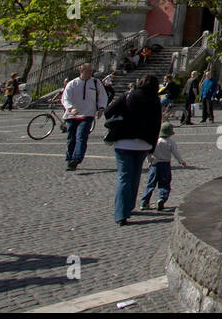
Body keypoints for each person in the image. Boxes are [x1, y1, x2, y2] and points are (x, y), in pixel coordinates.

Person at [105, 75, 163, 225]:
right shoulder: (155, 100)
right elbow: (157, 125)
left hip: (124, 141)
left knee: (124, 177)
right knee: (135, 176)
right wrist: (153, 147)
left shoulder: (129, 95)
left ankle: (121, 214)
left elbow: (108, 112)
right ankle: (129, 206)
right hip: (143, 144)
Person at [61, 63, 107, 172]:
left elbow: (102, 96)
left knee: (81, 137)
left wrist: (101, 108)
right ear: (81, 71)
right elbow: (65, 98)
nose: (91, 73)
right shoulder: (72, 84)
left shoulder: (96, 83)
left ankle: (76, 160)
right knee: (71, 138)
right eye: (88, 71)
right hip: (72, 115)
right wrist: (70, 108)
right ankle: (70, 158)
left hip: (87, 115)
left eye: (91, 71)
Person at [140, 121, 189, 211]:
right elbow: (176, 153)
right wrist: (181, 162)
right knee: (164, 183)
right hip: (165, 165)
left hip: (154, 165)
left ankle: (144, 202)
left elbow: (149, 153)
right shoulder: (171, 142)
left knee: (150, 184)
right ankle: (161, 198)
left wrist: (149, 161)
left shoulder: (155, 142)